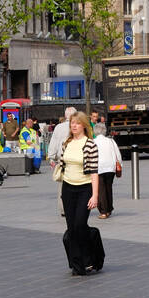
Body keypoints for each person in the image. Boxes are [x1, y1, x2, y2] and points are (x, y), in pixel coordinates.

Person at [58, 112, 102, 276]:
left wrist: (95, 196)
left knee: (79, 225)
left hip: (85, 189)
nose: (73, 126)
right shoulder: (66, 143)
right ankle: (78, 265)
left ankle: (91, 255)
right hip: (68, 188)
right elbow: (63, 165)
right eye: (71, 123)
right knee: (71, 228)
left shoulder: (90, 144)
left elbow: (94, 173)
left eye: (77, 123)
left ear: (84, 125)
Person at [48, 106, 78, 218]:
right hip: (75, 159)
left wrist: (51, 157)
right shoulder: (77, 126)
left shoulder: (59, 127)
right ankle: (75, 206)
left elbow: (54, 142)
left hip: (62, 159)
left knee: (62, 185)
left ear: (65, 115)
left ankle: (63, 209)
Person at [93, 122, 122, 219]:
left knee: (101, 190)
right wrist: (119, 165)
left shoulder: (93, 142)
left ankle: (104, 211)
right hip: (111, 168)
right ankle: (109, 209)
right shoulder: (111, 141)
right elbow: (117, 154)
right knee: (108, 188)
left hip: (99, 168)